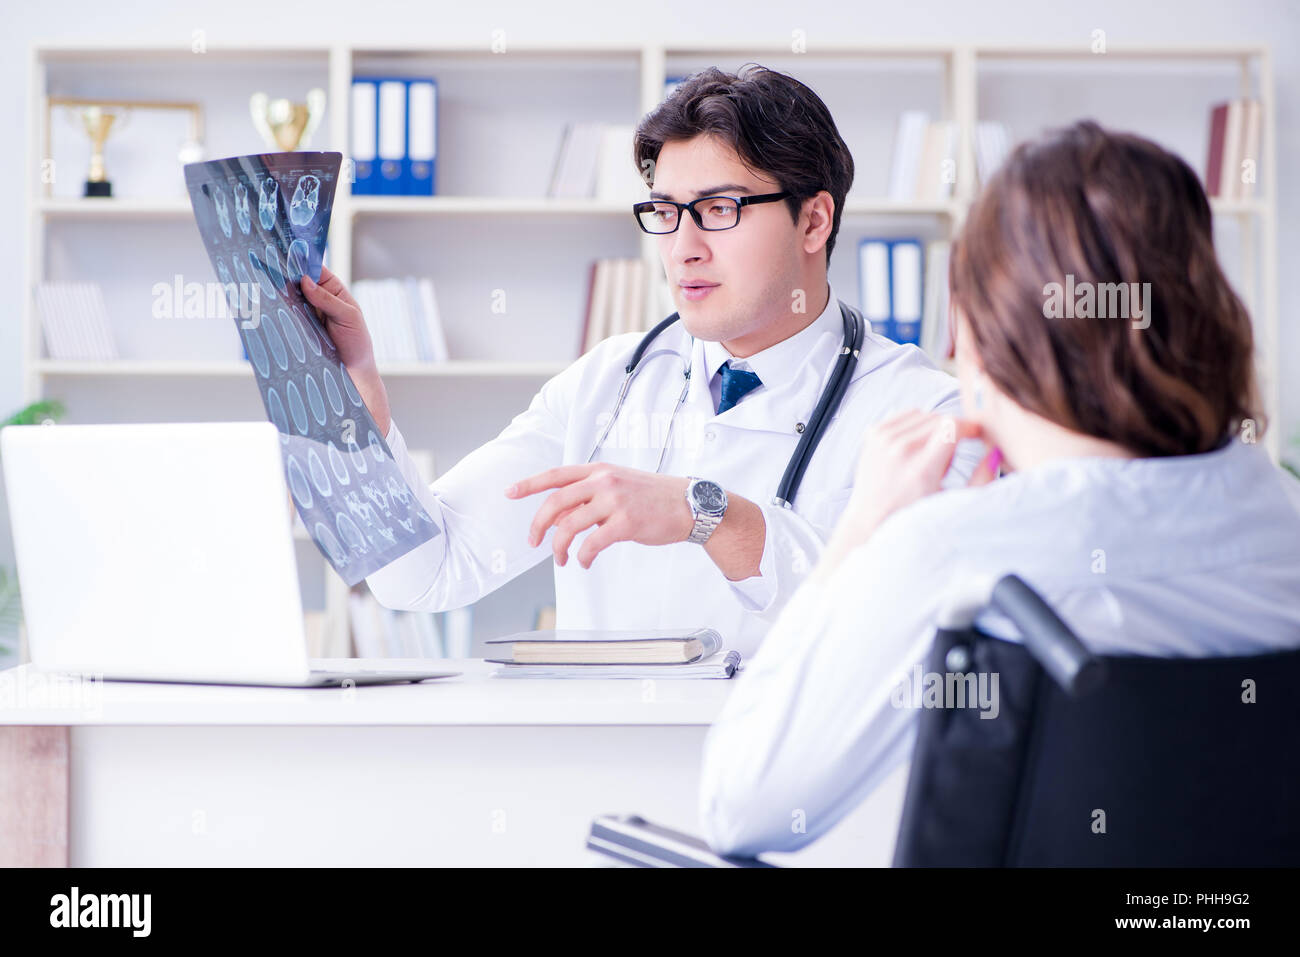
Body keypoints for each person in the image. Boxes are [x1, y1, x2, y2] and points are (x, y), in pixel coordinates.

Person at [699, 119, 1300, 855]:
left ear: (984, 334)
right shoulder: (1279, 514)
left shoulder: (954, 553)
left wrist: (860, 533)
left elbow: (741, 805)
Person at [301, 65, 981, 658]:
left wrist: (705, 512)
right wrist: (357, 393)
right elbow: (424, 572)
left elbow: (907, 624)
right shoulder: (607, 383)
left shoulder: (922, 412)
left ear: (814, 221)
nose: (682, 247)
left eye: (718, 209)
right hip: (612, 784)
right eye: (665, 210)